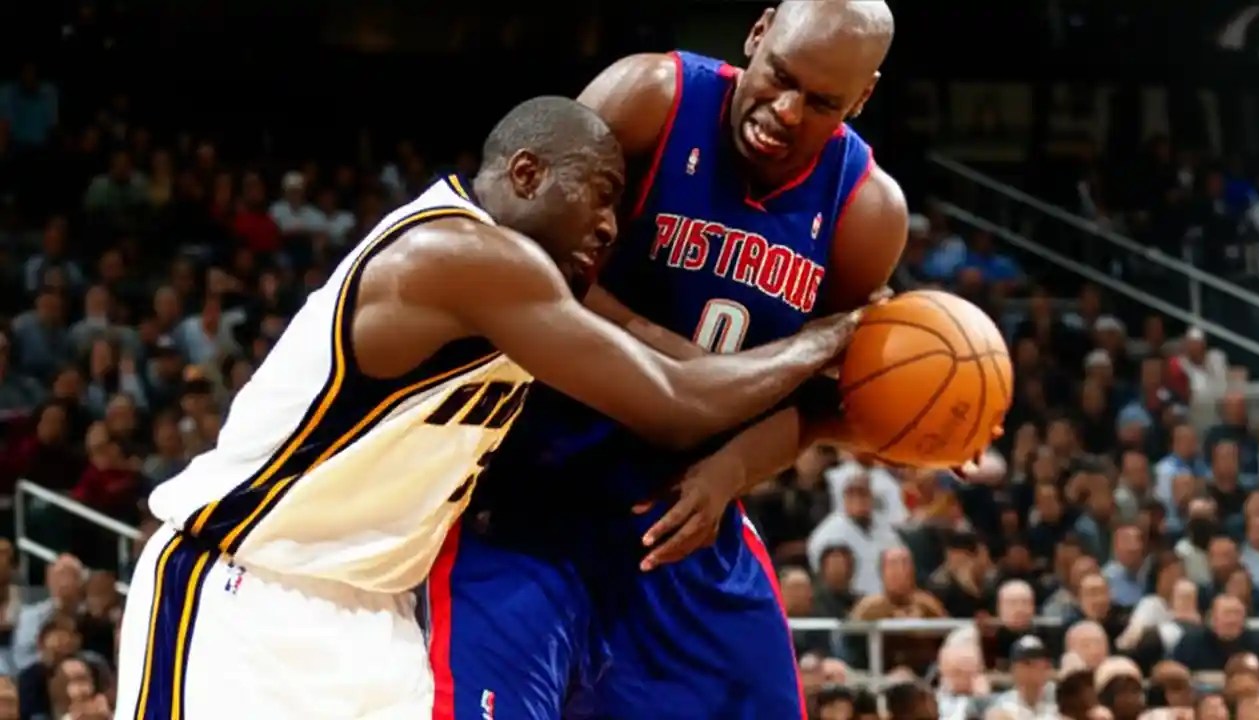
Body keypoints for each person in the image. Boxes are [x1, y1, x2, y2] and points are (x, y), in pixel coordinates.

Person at [112, 97, 856, 720]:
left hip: (377, 619)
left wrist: (822, 411)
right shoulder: (464, 256)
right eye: (599, 194)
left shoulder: (525, 289)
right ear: (526, 174)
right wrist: (834, 338)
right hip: (244, 585)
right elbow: (672, 404)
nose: (609, 226)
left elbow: (675, 363)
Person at [427, 2, 927, 719]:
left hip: (681, 514)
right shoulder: (650, 100)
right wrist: (671, 357)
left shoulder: (866, 211)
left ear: (863, 97)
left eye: (821, 103)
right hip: (526, 494)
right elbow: (517, 253)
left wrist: (733, 469)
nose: (785, 111)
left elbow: (818, 398)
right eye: (780, 75)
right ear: (757, 33)